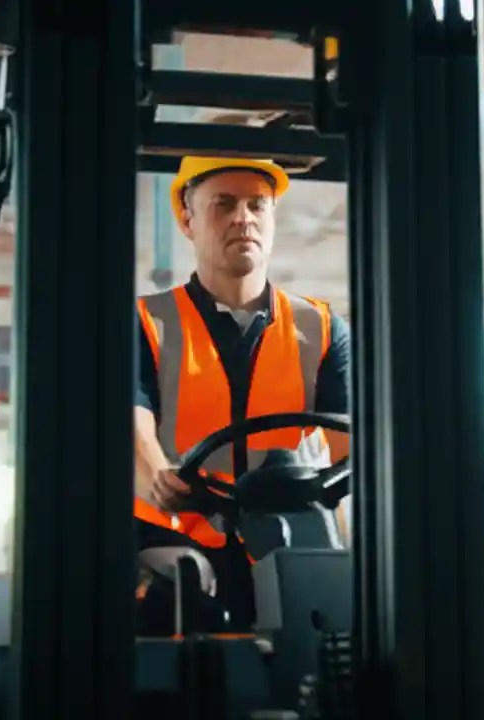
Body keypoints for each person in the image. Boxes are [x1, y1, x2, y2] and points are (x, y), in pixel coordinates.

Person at [132, 156, 351, 631]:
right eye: (224, 204)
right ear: (187, 220)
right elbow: (133, 416)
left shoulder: (323, 328)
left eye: (258, 205)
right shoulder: (147, 323)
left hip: (286, 539)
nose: (243, 218)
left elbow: (352, 442)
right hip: (174, 540)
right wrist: (159, 475)